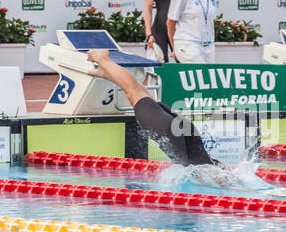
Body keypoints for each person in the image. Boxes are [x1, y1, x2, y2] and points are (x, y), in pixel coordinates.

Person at [87, 48, 223, 171]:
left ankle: (107, 73)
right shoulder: (205, 173)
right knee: (133, 91)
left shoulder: (212, 167)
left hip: (187, 133)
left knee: (142, 93)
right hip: (170, 132)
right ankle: (102, 58)